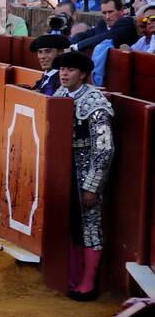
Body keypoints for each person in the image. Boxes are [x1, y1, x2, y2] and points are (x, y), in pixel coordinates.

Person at [53, 51, 114, 301]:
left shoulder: (95, 103)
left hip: (86, 172)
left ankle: (88, 284)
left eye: (69, 70)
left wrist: (92, 186)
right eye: (62, 69)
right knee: (70, 225)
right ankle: (73, 278)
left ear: (83, 74)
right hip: (63, 172)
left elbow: (105, 148)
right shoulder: (58, 95)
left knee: (89, 227)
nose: (63, 74)